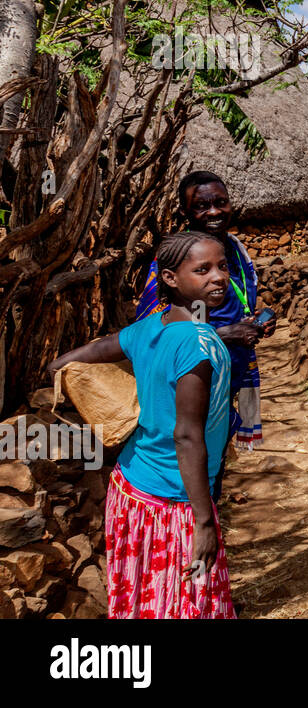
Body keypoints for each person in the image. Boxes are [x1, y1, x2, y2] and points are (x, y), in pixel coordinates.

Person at [48, 232, 236, 618]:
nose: (217, 277)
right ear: (170, 278)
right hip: (174, 504)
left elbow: (106, 345)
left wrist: (60, 363)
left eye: (223, 267)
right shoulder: (199, 344)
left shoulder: (155, 325)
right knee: (187, 603)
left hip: (131, 491)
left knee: (144, 599)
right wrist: (204, 522)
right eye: (202, 269)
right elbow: (186, 436)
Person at [137, 171, 274, 465]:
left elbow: (240, 303)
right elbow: (152, 329)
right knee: (187, 459)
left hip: (227, 379)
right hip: (188, 384)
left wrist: (258, 319)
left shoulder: (236, 251)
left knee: (213, 462)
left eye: (220, 202)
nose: (213, 211)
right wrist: (225, 334)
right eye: (201, 205)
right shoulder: (174, 259)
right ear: (185, 212)